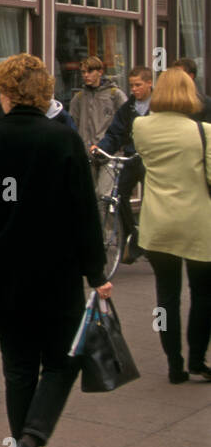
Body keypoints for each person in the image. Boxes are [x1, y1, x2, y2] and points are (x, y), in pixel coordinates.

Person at [0, 54, 112, 447]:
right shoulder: (63, 140)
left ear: (5, 90)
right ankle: (34, 437)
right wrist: (95, 271)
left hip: (4, 271)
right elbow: (84, 212)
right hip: (57, 271)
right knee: (64, 361)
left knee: (17, 369)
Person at [131, 68, 211, 383]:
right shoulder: (204, 131)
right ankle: (197, 359)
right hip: (197, 223)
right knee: (203, 294)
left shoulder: (141, 126)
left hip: (158, 222)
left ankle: (173, 364)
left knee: (166, 298)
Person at [97, 66, 154, 263]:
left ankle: (149, 240)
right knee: (119, 194)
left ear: (149, 83)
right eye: (131, 86)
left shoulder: (159, 106)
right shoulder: (128, 108)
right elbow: (115, 133)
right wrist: (101, 149)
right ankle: (133, 235)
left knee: (151, 199)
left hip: (151, 160)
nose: (134, 89)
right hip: (132, 157)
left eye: (138, 85)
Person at [69, 56, 128, 197]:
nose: (86, 75)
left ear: (100, 72)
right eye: (83, 72)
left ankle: (107, 218)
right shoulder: (79, 98)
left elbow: (126, 122)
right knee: (87, 195)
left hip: (109, 153)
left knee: (104, 195)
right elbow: (72, 125)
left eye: (90, 71)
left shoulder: (115, 95)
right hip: (86, 153)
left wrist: (121, 146)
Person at [173, 57, 211, 122]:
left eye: (179, 74)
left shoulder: (206, 104)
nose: (174, 77)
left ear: (190, 76)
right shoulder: (168, 101)